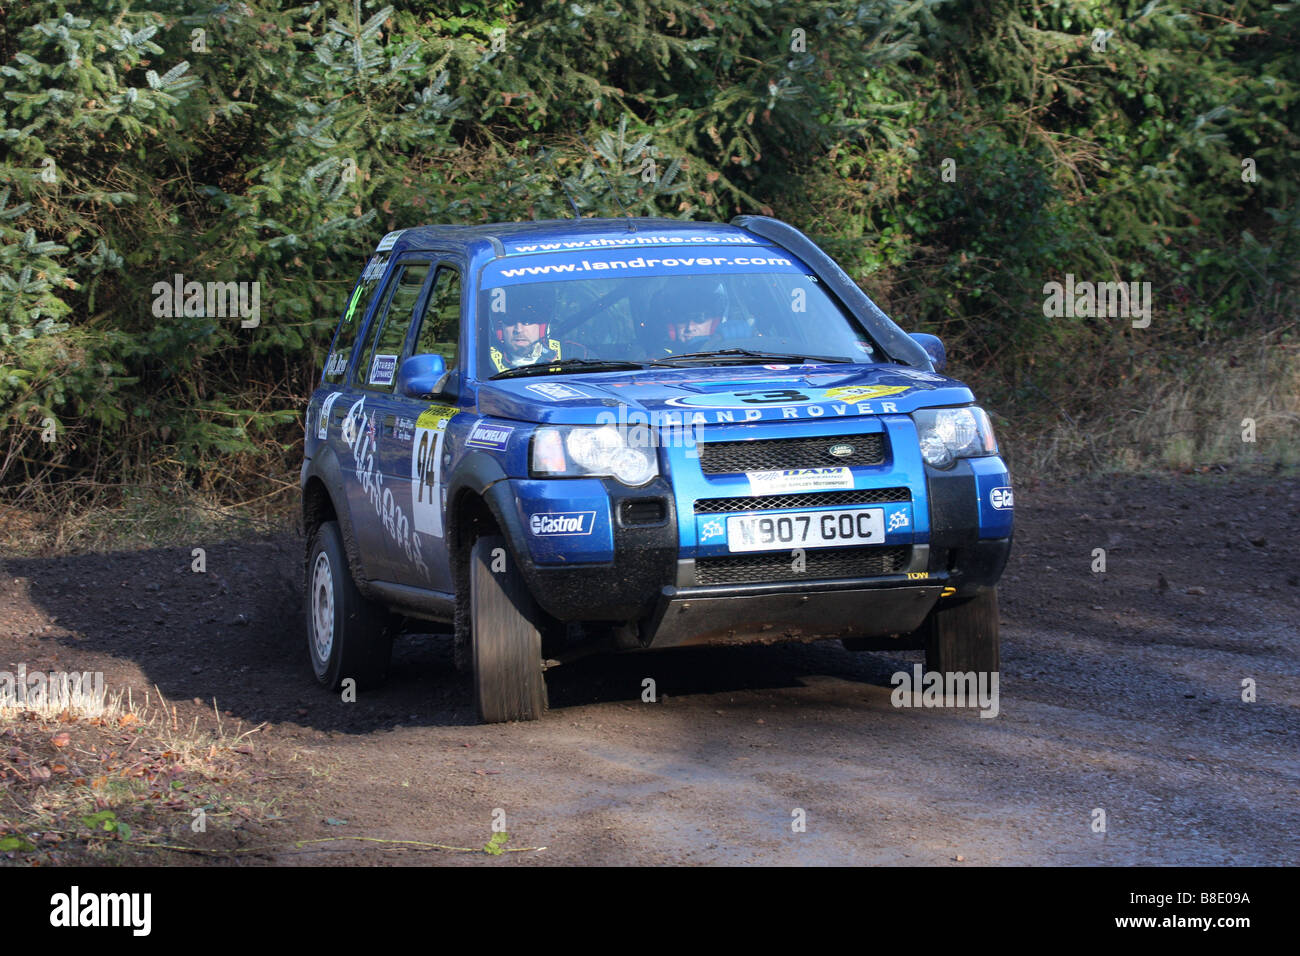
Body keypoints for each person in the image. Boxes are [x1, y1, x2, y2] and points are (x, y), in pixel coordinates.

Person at [488, 284, 565, 371]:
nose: (518, 329)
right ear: (500, 327)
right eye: (510, 321)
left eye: (527, 322)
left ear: (541, 327)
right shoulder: (484, 361)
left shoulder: (570, 353)